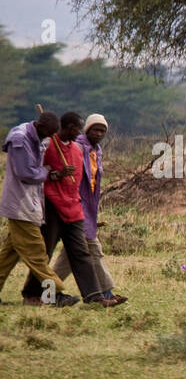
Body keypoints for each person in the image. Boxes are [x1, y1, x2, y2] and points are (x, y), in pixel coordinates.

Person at [21, 111, 117, 307]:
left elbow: (79, 185)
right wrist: (55, 174)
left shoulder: (77, 150)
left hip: (74, 208)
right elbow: (35, 173)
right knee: (45, 253)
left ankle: (94, 297)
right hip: (52, 207)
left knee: (81, 253)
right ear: (67, 127)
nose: (79, 133)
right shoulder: (48, 146)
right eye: (77, 129)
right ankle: (34, 295)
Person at [0, 111, 77, 306]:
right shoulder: (20, 139)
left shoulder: (41, 137)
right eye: (48, 134)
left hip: (32, 205)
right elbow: (26, 173)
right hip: (20, 206)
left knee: (9, 255)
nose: (50, 138)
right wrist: (47, 171)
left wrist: (55, 174)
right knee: (38, 256)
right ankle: (55, 294)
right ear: (40, 126)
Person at [51, 114, 125, 304]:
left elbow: (92, 185)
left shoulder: (96, 151)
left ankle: (47, 292)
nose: (99, 134)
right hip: (74, 206)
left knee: (68, 258)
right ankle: (106, 293)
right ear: (87, 130)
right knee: (93, 249)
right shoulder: (77, 147)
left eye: (102, 131)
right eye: (95, 129)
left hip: (86, 211)